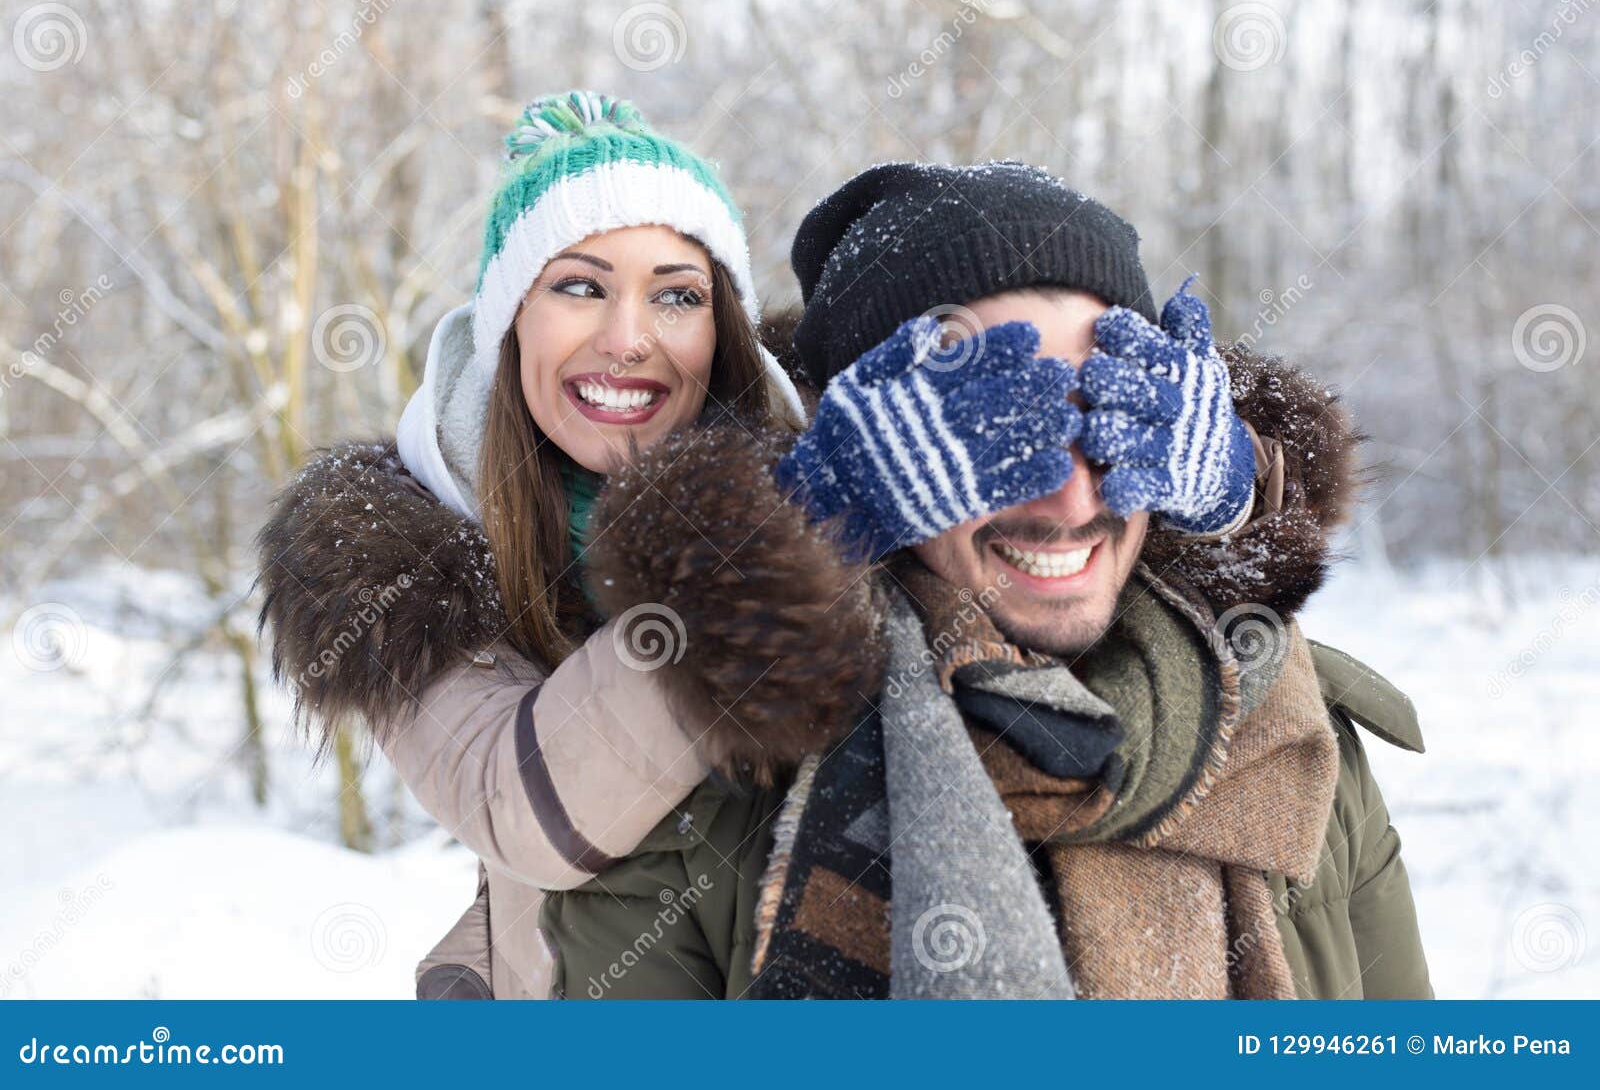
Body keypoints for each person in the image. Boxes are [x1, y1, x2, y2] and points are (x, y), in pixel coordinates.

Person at [537, 160, 1433, 1000]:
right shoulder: (691, 799)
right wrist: (797, 543)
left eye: (1102, 411)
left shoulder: (1296, 741)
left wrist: (1247, 487)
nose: (1069, 493)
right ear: (872, 463)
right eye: (992, 433)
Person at [254, 91, 881, 998]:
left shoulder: (822, 464)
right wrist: (755, 575)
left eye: (676, 295)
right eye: (580, 286)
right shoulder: (402, 554)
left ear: (721, 331)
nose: (628, 339)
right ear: (511, 321)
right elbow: (527, 810)